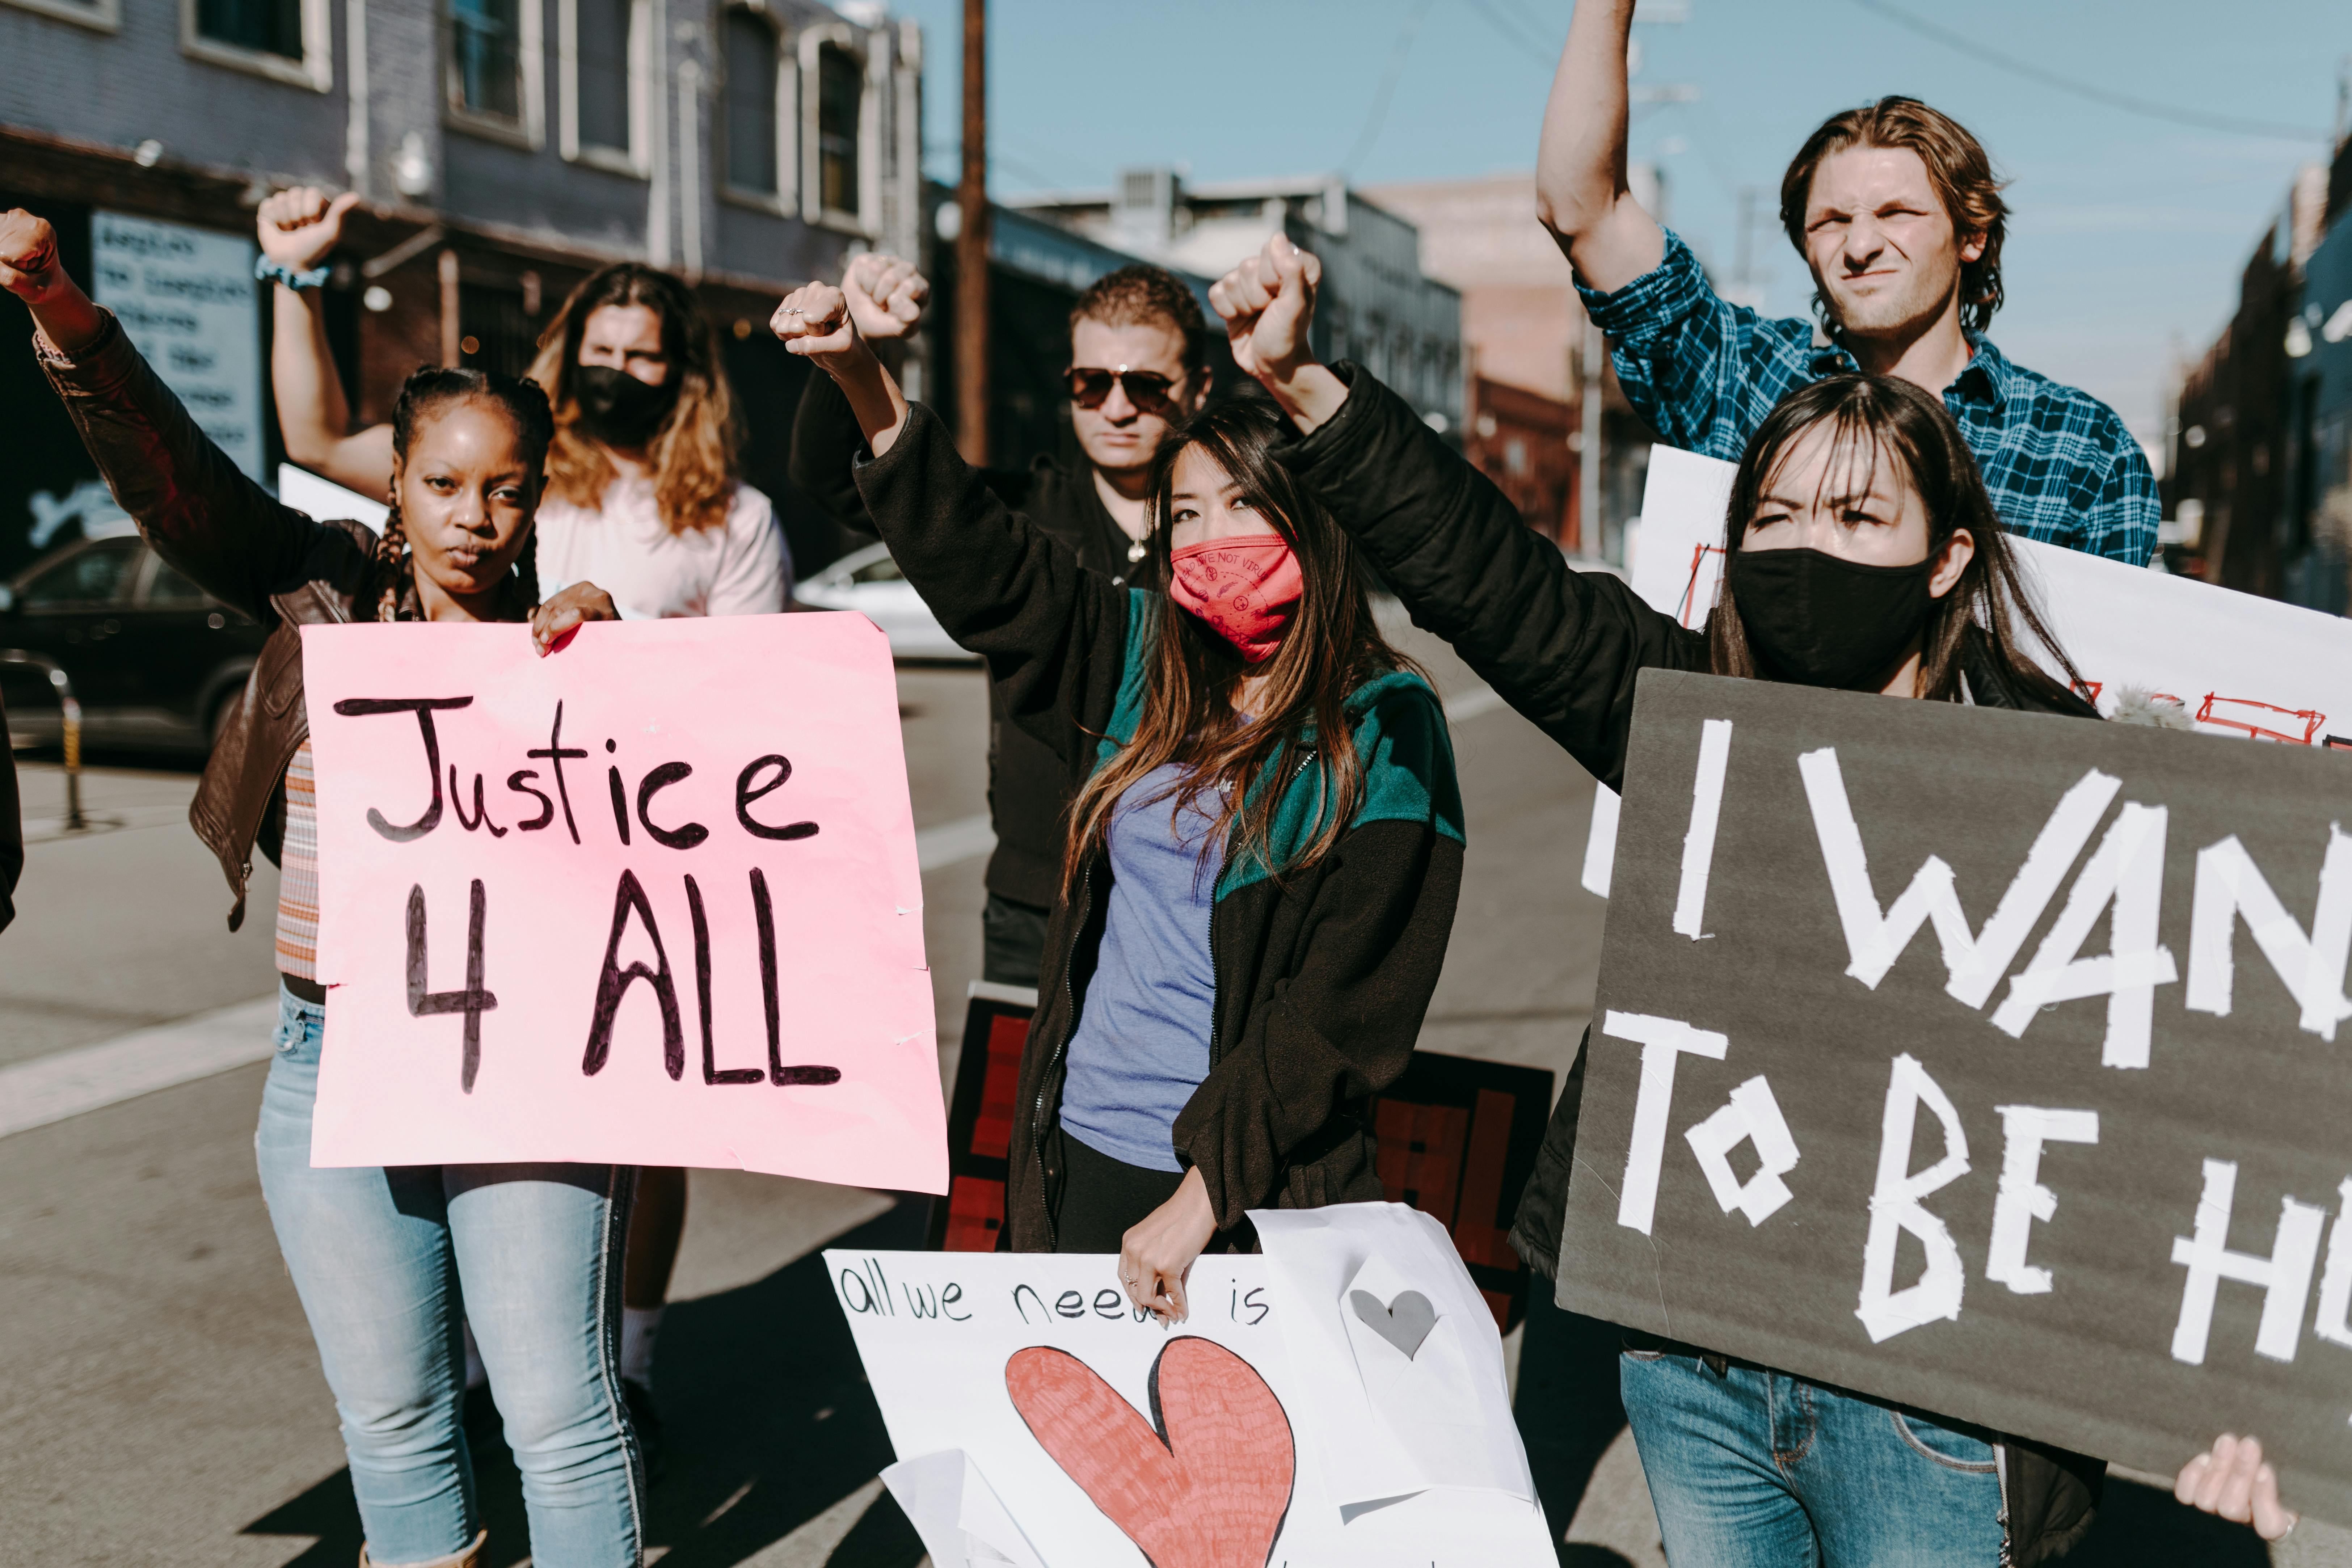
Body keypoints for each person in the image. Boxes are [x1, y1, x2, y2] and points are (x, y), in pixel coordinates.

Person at [1209, 233, 2296, 1564]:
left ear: (1946, 558)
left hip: (1933, 1401)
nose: (1804, 553)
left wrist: (2228, 1394)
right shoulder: (1688, 713)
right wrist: (1311, 388)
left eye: (1853, 520)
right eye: (1773, 520)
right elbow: (1492, 583)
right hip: (1695, 1365)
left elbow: (2193, 1093)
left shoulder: (2065, 776)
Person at [4, 205, 639, 1568]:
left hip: (523, 1070)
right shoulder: (317, 590)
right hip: (327, 1056)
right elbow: (166, 473)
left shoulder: (577, 646)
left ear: (541, 494)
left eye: (509, 488)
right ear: (394, 486)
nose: (478, 518)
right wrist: (61, 310)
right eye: (445, 485)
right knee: (397, 1418)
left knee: (556, 1415)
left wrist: (615, 669)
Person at [772, 276, 1461, 1316]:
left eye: (1243, 504)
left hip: (1239, 1187)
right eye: (1186, 511)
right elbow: (980, 563)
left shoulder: (1385, 719)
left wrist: (1208, 1190)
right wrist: (858, 370)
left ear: (1314, 518)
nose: (1209, 535)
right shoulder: (1145, 652)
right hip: (1082, 1136)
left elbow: (1342, 1010)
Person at [258, 187, 795, 1443]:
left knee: (633, 1130)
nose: (619, 373)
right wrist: (292, 284)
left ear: (683, 376)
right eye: (598, 352)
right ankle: (506, 1359)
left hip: (627, 842)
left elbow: (750, 698)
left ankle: (630, 1351)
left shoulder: (730, 517)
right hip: (465, 845)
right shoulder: (505, 472)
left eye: (642, 356)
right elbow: (317, 429)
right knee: (462, 1108)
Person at [1539, 0, 2157, 566]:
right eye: (1831, 222)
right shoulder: (1747, 381)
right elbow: (1581, 210)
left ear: (1972, 237)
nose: (1859, 247)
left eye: (1897, 214)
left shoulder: (2081, 450)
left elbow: (2099, 672)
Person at [791, 257, 1212, 990]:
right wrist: (866, 352)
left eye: (1146, 386)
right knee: (1013, 1107)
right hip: (1031, 897)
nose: (1116, 408)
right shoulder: (1017, 508)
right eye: (1091, 383)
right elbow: (839, 480)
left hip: (1190, 895)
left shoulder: (1231, 534)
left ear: (1199, 389)